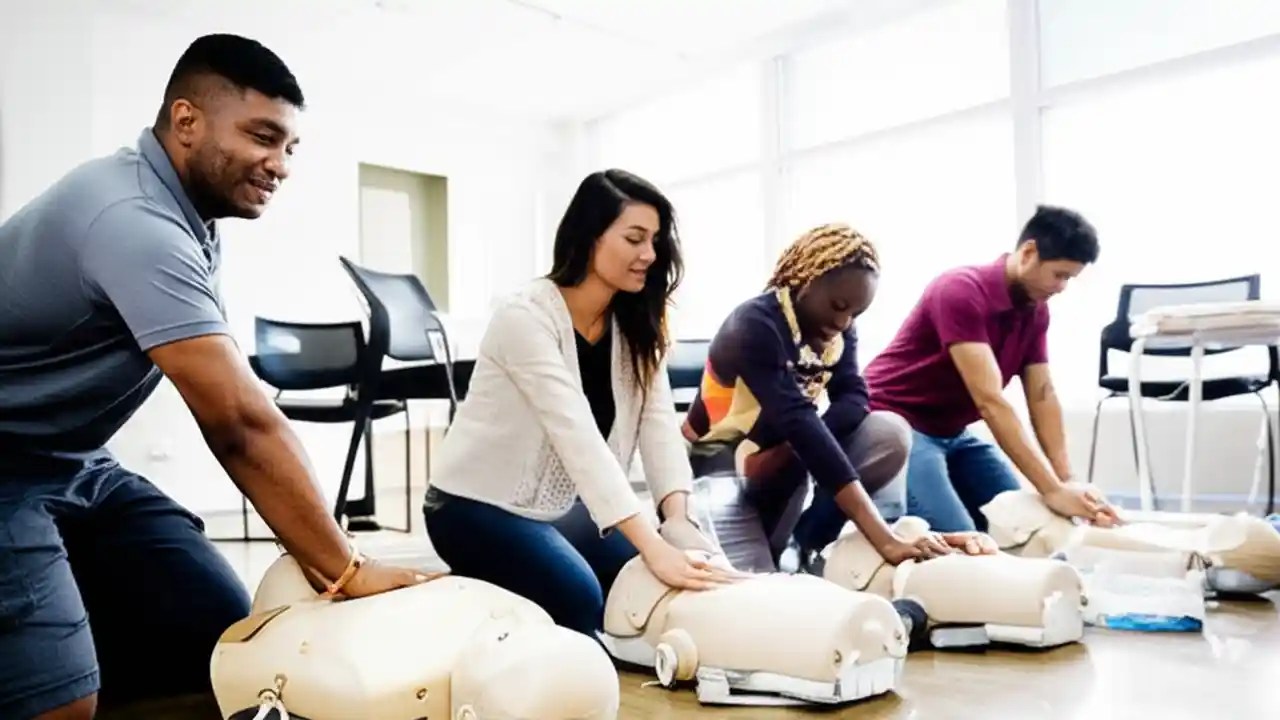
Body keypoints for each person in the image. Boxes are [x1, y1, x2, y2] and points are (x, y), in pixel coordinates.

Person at [0, 34, 432, 720]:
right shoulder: (132, 218)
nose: (280, 164)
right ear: (186, 120)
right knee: (64, 708)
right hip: (7, 466)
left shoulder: (191, 217)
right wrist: (345, 569)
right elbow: (238, 422)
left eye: (291, 147)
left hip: (77, 462)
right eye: (263, 137)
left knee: (219, 633)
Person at [422, 169, 740, 640]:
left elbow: (657, 428)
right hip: (470, 505)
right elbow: (578, 437)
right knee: (579, 598)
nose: (649, 255)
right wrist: (650, 543)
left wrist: (676, 521)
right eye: (634, 238)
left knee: (639, 588)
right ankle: (467, 603)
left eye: (654, 241)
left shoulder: (636, 325)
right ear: (590, 236)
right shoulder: (524, 317)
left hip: (558, 507)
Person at [681, 223, 997, 572]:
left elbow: (853, 395)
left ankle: (808, 539)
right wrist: (885, 540)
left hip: (781, 465)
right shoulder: (754, 325)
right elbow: (798, 421)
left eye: (855, 314)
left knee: (887, 432)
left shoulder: (836, 331)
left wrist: (797, 446)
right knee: (755, 586)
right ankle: (774, 550)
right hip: (718, 468)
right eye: (838, 305)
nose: (844, 321)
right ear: (804, 280)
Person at [863, 205, 1122, 533]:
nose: (1062, 287)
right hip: (896, 422)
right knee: (965, 542)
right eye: (1060, 275)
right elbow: (990, 401)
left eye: (1070, 278)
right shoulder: (960, 290)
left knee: (1030, 531)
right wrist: (1052, 491)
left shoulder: (1035, 311)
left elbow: (1042, 395)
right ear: (1029, 252)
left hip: (952, 433)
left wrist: (1067, 482)